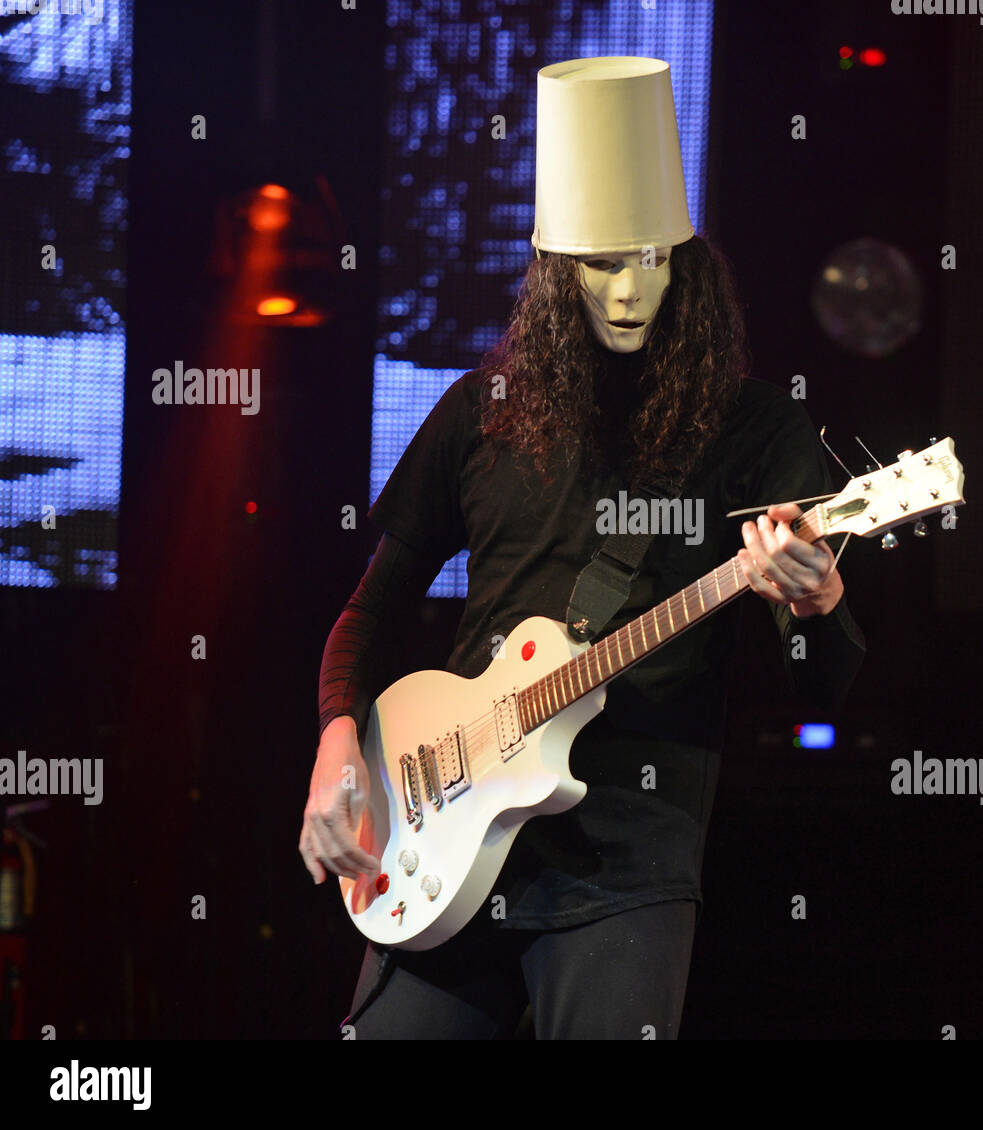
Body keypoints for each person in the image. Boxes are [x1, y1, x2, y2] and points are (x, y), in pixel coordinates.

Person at [298, 56, 866, 1040]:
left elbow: (826, 684)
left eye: (650, 258)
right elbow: (369, 607)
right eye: (599, 264)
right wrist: (336, 743)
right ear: (556, 276)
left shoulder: (756, 433)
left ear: (687, 261)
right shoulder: (481, 414)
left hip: (630, 859)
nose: (626, 289)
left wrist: (810, 601)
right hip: (443, 833)